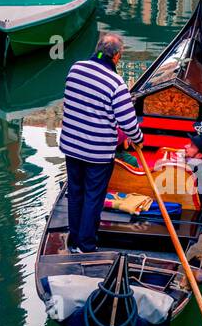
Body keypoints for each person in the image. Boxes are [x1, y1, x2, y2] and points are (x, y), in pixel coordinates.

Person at [59, 32, 144, 254]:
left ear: (98, 49)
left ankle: (74, 241)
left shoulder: (75, 68)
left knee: (76, 193)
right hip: (97, 154)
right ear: (116, 57)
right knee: (93, 198)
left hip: (71, 147)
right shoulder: (116, 84)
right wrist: (139, 140)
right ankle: (86, 245)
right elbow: (128, 124)